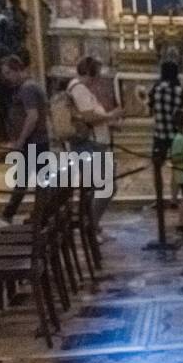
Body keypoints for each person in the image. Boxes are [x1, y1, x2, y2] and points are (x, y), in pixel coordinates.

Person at [66, 55, 123, 231]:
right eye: (98, 73)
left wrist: (108, 123)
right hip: (90, 145)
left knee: (93, 189)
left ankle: (92, 226)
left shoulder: (79, 88)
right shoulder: (80, 89)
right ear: (92, 72)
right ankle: (90, 226)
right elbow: (89, 116)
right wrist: (111, 115)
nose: (99, 77)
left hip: (92, 144)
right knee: (107, 188)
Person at [0, 55, 49, 224]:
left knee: (26, 178)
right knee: (34, 179)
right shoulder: (30, 86)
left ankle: (12, 214)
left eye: (8, 72)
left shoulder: (27, 88)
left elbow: (32, 116)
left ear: (17, 70)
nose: (6, 76)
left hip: (33, 141)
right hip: (36, 140)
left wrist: (20, 140)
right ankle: (39, 214)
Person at [147, 60, 183, 207]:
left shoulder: (155, 89)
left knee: (157, 167)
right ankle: (174, 199)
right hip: (176, 134)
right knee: (177, 167)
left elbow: (150, 110)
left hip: (160, 134)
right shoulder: (179, 90)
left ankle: (159, 199)